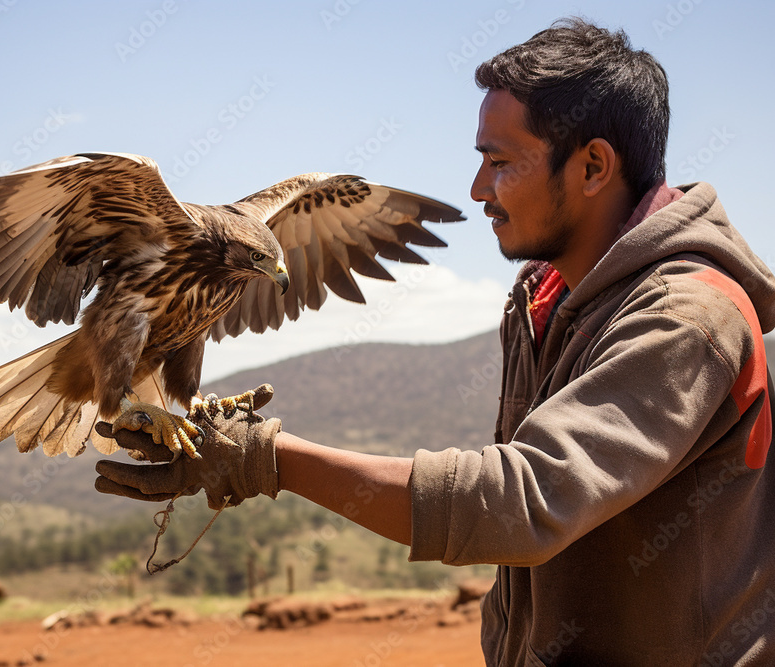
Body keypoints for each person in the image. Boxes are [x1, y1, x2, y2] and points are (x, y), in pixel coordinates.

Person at [95, 18, 775, 666]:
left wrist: (268, 459)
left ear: (593, 165)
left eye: (500, 162)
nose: (478, 188)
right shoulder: (547, 300)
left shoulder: (684, 317)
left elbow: (521, 502)